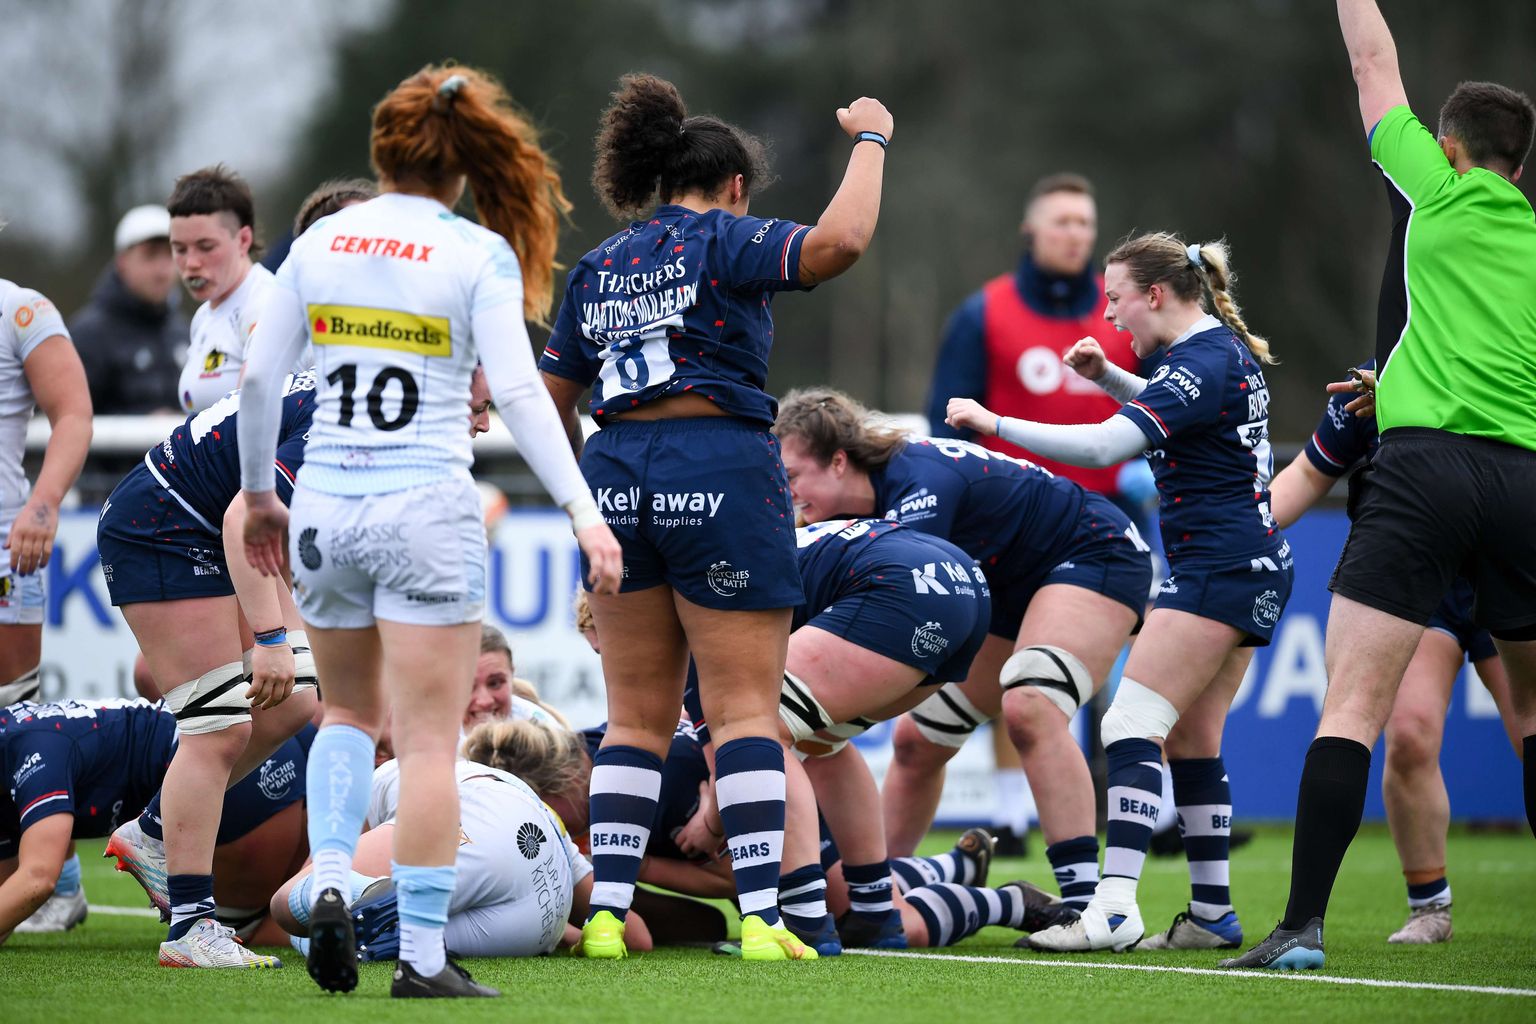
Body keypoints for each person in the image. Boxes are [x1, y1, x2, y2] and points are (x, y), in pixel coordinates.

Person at [237, 64, 621, 999]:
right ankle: (417, 958)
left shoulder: (322, 238)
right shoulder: (475, 251)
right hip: (427, 509)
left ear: (382, 150)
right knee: (423, 738)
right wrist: (580, 507)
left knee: (345, 716)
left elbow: (254, 383)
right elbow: (523, 394)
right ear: (463, 162)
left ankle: (329, 878)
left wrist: (258, 496)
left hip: (325, 498)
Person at [536, 73, 889, 963]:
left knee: (634, 720)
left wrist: (601, 486)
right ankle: (767, 920)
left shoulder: (598, 266)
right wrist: (872, 138)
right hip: (719, 468)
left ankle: (608, 916)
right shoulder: (728, 240)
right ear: (736, 186)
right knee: (740, 715)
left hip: (615, 476)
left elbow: (546, 403)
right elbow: (842, 241)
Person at [1223, 1, 1536, 972]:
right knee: (1530, 717)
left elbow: (1372, 59)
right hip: (1525, 479)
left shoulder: (1436, 197)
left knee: (1351, 706)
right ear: (1519, 166)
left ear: (1446, 149)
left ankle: (1300, 930)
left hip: (1424, 471)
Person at [947, 230, 1289, 952]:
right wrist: (1109, 376)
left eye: (1117, 300)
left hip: (1216, 570)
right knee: (1193, 740)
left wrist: (994, 423)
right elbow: (1177, 413)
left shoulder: (1199, 359)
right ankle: (1211, 915)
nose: (1109, 316)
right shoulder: (1210, 355)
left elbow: (1107, 447)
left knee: (1129, 725)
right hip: (1249, 564)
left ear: (1156, 295)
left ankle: (1112, 908)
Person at [773, 389, 1151, 914]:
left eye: (791, 478)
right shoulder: (873, 503)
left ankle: (1089, 907)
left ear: (839, 462)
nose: (786, 495)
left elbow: (899, 619)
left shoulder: (919, 481)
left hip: (1092, 551)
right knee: (916, 741)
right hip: (1006, 590)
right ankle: (872, 897)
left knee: (1031, 707)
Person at [1266, 358, 1520, 946]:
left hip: (1504, 570)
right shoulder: (1371, 383)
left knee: (1525, 728)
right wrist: (1240, 536)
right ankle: (1429, 903)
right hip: (1422, 583)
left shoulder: (1508, 362)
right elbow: (1306, 474)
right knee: (1407, 734)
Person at [98, 371, 321, 969]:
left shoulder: (366, 385)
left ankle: (151, 832)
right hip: (164, 528)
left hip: (205, 521)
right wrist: (270, 636)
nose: (484, 423)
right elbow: (244, 514)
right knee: (219, 729)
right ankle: (191, 928)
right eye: (482, 404)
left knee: (297, 701)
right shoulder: (353, 412)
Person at [272, 721, 653, 960]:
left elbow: (311, 871)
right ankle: (391, 927)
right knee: (371, 932)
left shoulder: (381, 777)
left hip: (484, 826)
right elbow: (638, 936)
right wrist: (569, 935)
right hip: (536, 924)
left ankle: (388, 905)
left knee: (292, 904)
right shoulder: (550, 821)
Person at [0, 698, 310, 951]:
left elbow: (38, 878)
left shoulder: (34, 754)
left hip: (231, 780)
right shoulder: (18, 739)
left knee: (264, 928)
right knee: (313, 892)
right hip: (255, 748)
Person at [0, 280, 91, 710]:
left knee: (10, 720)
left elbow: (73, 413)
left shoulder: (21, 309)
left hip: (5, 548)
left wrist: (44, 503)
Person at [169, 165, 302, 413]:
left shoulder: (264, 303)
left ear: (243, 240)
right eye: (180, 249)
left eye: (205, 247)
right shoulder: (203, 316)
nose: (191, 263)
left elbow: (259, 416)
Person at [69, 205, 189, 415]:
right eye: (150, 256)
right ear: (122, 262)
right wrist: (141, 424)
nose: (162, 270)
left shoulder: (186, 331)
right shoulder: (88, 335)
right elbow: (69, 418)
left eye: (170, 255)